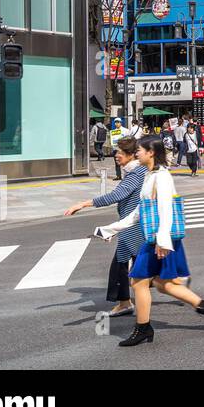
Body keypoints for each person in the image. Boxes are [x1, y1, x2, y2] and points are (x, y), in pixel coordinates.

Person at [96, 137, 204, 347]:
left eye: (139, 150)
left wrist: (162, 242)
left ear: (151, 152)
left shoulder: (162, 177)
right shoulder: (149, 175)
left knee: (138, 282)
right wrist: (108, 230)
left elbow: (165, 209)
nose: (136, 154)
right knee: (164, 285)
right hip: (158, 239)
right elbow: (139, 212)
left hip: (160, 240)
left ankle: (143, 328)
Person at [64, 135, 147, 317]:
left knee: (133, 267)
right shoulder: (138, 171)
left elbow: (114, 196)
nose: (116, 155)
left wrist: (83, 204)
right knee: (125, 265)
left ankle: (186, 293)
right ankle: (125, 302)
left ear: (131, 155)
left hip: (133, 227)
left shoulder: (135, 174)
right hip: (131, 225)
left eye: (119, 152)